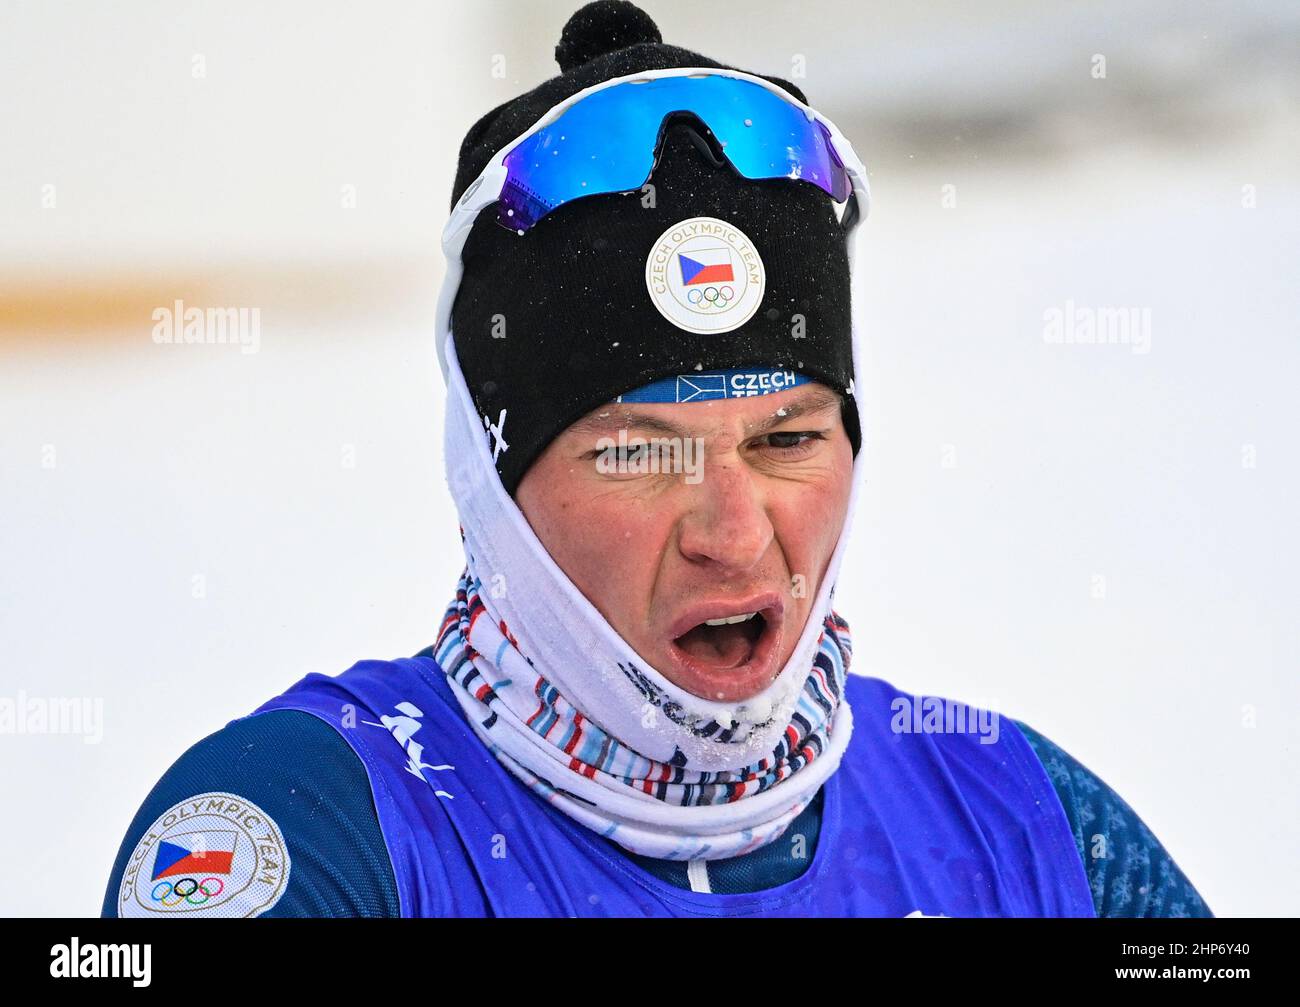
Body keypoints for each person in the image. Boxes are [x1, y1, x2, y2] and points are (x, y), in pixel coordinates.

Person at [101, 0, 1212, 918]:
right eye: (636, 450)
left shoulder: (1023, 823)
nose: (734, 531)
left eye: (787, 439)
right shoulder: (303, 829)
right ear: (492, 489)